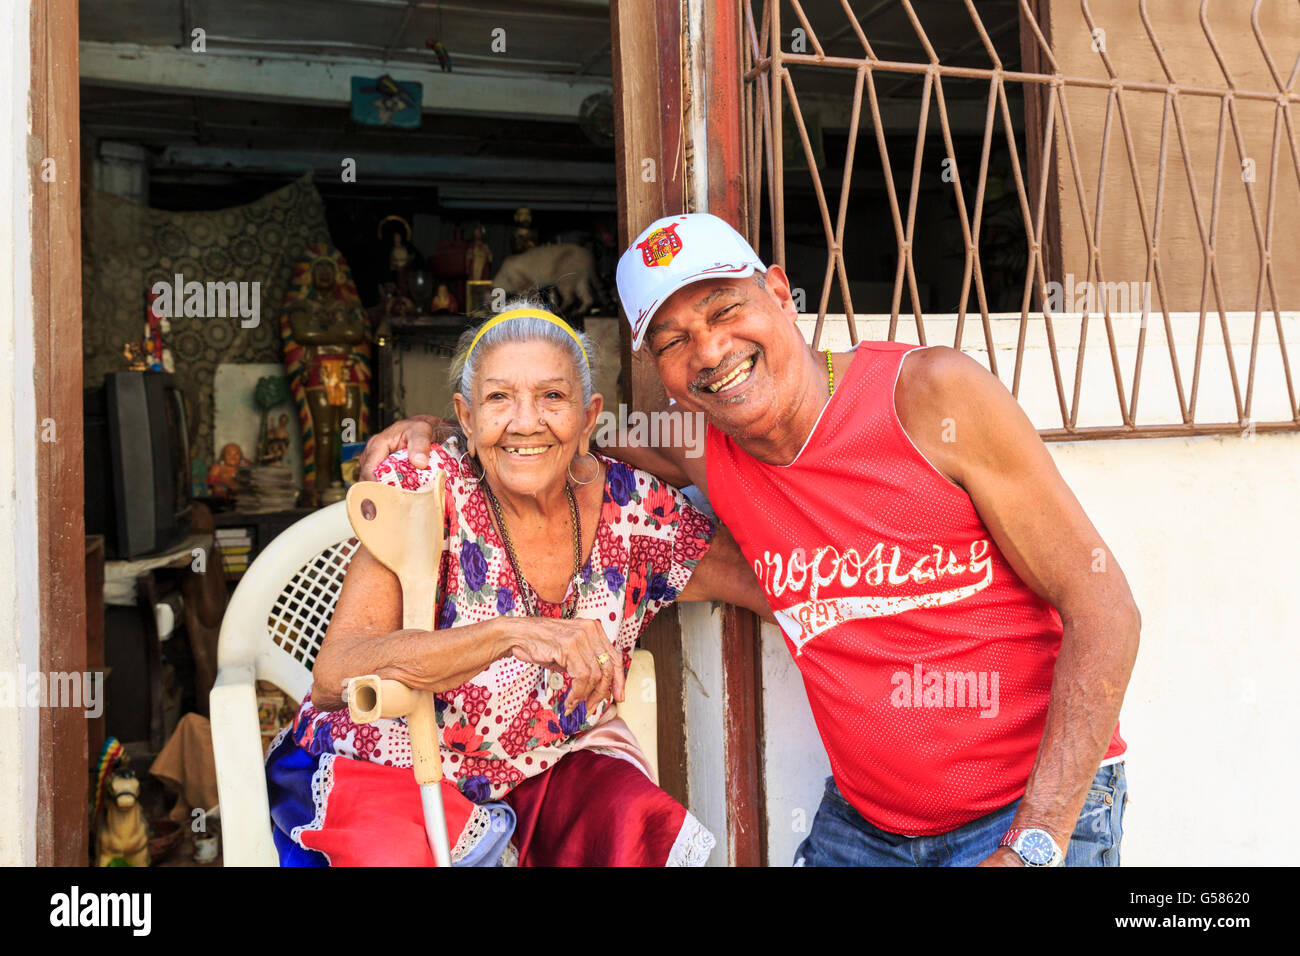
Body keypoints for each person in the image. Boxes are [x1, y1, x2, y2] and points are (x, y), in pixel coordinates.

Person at [362, 213, 1141, 868]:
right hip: (869, 828)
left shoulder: (931, 394)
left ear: (777, 291)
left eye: (726, 309)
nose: (709, 351)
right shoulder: (705, 449)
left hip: (1024, 815)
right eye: (672, 340)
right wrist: (436, 428)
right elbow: (553, 447)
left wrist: (1036, 840)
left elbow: (1103, 605)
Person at [267, 300, 773, 867]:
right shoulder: (425, 491)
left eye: (553, 397)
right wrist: (513, 633)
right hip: (385, 772)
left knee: (631, 823)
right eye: (498, 398)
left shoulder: (635, 511)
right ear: (466, 416)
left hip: (533, 771)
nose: (526, 422)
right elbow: (338, 674)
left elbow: (778, 580)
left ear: (588, 418)